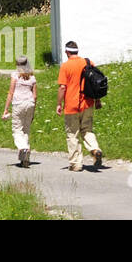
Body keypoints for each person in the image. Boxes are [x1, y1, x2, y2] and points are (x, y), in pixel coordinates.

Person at [56, 40, 102, 172]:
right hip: (88, 103)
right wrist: (97, 100)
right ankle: (95, 149)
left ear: (67, 52)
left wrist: (59, 104)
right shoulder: (88, 62)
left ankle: (76, 164)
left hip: (71, 105)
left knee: (72, 134)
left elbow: (62, 87)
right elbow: (95, 83)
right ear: (77, 51)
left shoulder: (65, 66)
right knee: (87, 130)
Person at [3, 55, 37, 168]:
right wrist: (33, 111)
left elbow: (11, 93)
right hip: (30, 104)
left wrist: (6, 109)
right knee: (26, 130)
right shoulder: (32, 77)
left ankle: (23, 148)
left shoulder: (15, 75)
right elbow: (35, 96)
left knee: (17, 130)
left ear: (17, 64)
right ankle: (25, 160)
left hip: (18, 104)